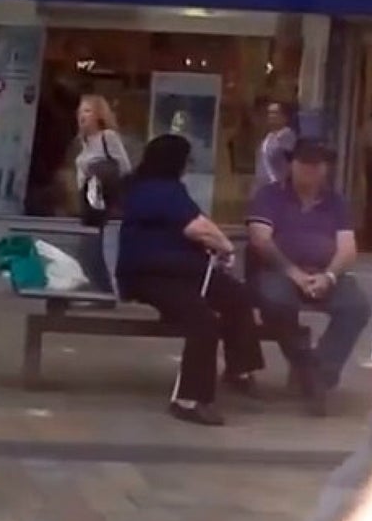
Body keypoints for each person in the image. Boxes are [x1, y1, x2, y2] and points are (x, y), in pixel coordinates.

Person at [115, 134, 264, 426]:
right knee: (203, 322)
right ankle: (189, 399)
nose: (188, 165)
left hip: (182, 271)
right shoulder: (154, 190)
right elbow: (198, 227)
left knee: (236, 295)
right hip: (151, 276)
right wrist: (226, 246)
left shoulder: (167, 188)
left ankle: (240, 368)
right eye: (186, 159)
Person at [247, 138, 369, 416]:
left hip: (324, 271)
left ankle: (321, 373)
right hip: (279, 270)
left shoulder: (336, 202)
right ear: (292, 164)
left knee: (357, 306)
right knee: (274, 300)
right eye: (304, 163)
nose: (310, 170)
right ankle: (304, 362)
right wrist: (293, 273)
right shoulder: (269, 195)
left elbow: (348, 248)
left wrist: (328, 276)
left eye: (317, 164)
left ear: (325, 168)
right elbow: (260, 240)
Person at [254, 100, 297, 191]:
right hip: (262, 188)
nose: (271, 116)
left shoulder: (288, 137)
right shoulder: (268, 137)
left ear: (285, 117)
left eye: (275, 113)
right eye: (269, 113)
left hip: (278, 189)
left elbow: (291, 164)